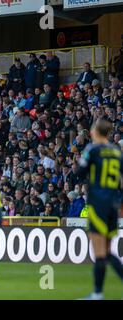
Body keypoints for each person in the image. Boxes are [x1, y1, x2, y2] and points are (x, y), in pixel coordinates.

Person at [77, 120, 123, 300]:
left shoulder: (93, 149)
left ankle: (97, 293)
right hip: (113, 204)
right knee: (107, 250)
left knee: (100, 252)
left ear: (96, 132)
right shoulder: (116, 151)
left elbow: (79, 172)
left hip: (97, 204)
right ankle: (97, 293)